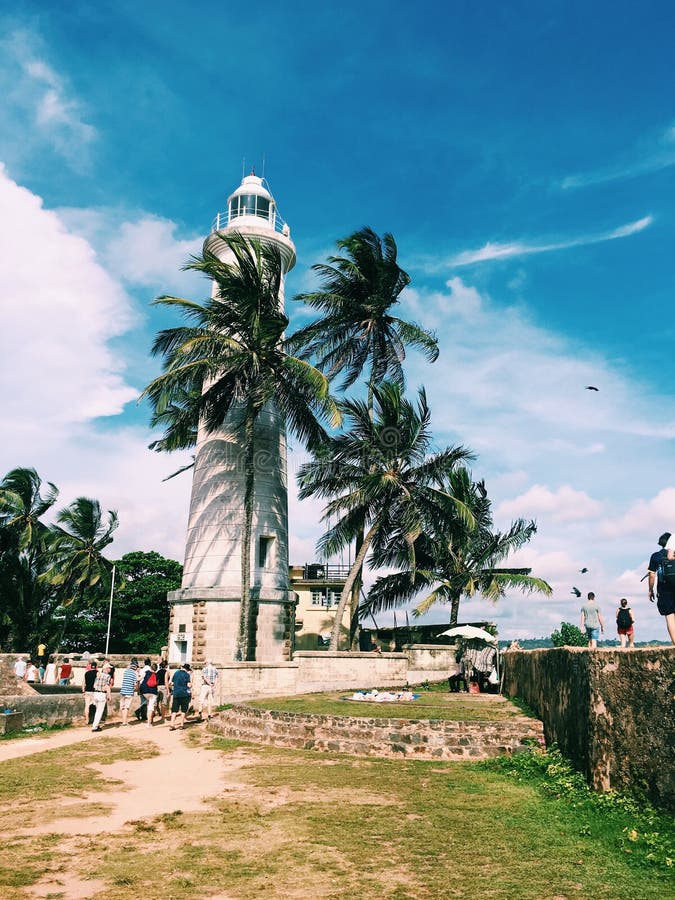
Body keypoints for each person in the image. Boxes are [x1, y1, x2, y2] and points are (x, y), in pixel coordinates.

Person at [650, 532, 675, 645]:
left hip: (664, 588)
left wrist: (650, 590)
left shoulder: (656, 556)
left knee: (669, 615)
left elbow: (652, 575)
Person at [169, 663, 192, 731]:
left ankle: (172, 725)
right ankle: (181, 725)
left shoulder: (176, 673)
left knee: (174, 710)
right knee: (183, 710)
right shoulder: (187, 675)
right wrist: (191, 685)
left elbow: (172, 683)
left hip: (176, 694)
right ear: (187, 669)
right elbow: (189, 685)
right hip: (184, 694)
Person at [90, 664, 112, 732]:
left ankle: (95, 724)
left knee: (97, 710)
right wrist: (109, 695)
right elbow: (107, 686)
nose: (110, 669)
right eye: (109, 668)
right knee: (99, 711)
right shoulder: (108, 676)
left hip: (96, 693)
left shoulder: (98, 674)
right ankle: (95, 726)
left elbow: (94, 685)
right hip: (102, 694)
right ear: (106, 668)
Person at [119, 658, 139, 726]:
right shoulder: (135, 673)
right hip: (129, 692)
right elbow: (135, 683)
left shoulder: (126, 671)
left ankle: (123, 721)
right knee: (126, 707)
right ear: (136, 666)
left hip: (123, 691)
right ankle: (124, 722)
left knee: (123, 707)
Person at [140, 663, 159, 728]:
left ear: (150, 668)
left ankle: (149, 720)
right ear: (156, 669)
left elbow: (140, 678)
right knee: (151, 707)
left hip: (145, 691)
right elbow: (157, 683)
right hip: (153, 692)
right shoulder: (157, 675)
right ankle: (149, 723)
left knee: (148, 705)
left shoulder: (146, 672)